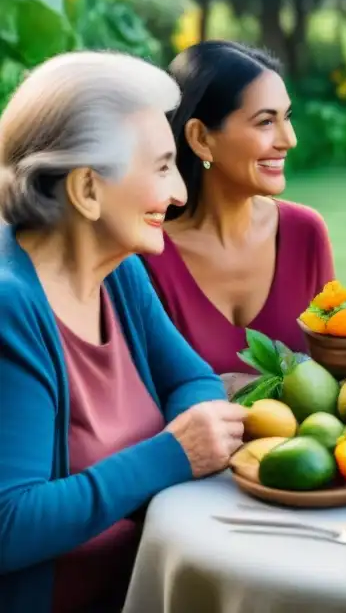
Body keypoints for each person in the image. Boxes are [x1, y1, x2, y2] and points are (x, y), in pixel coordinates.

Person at [0, 52, 246, 613]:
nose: (181, 193)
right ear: (88, 189)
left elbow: (193, 379)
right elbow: (8, 523)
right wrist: (169, 456)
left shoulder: (118, 269)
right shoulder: (11, 307)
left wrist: (192, 436)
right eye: (161, 167)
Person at [142, 41, 335, 396]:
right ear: (201, 138)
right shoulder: (144, 253)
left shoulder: (305, 233)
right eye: (265, 122)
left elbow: (334, 370)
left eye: (287, 117)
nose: (288, 140)